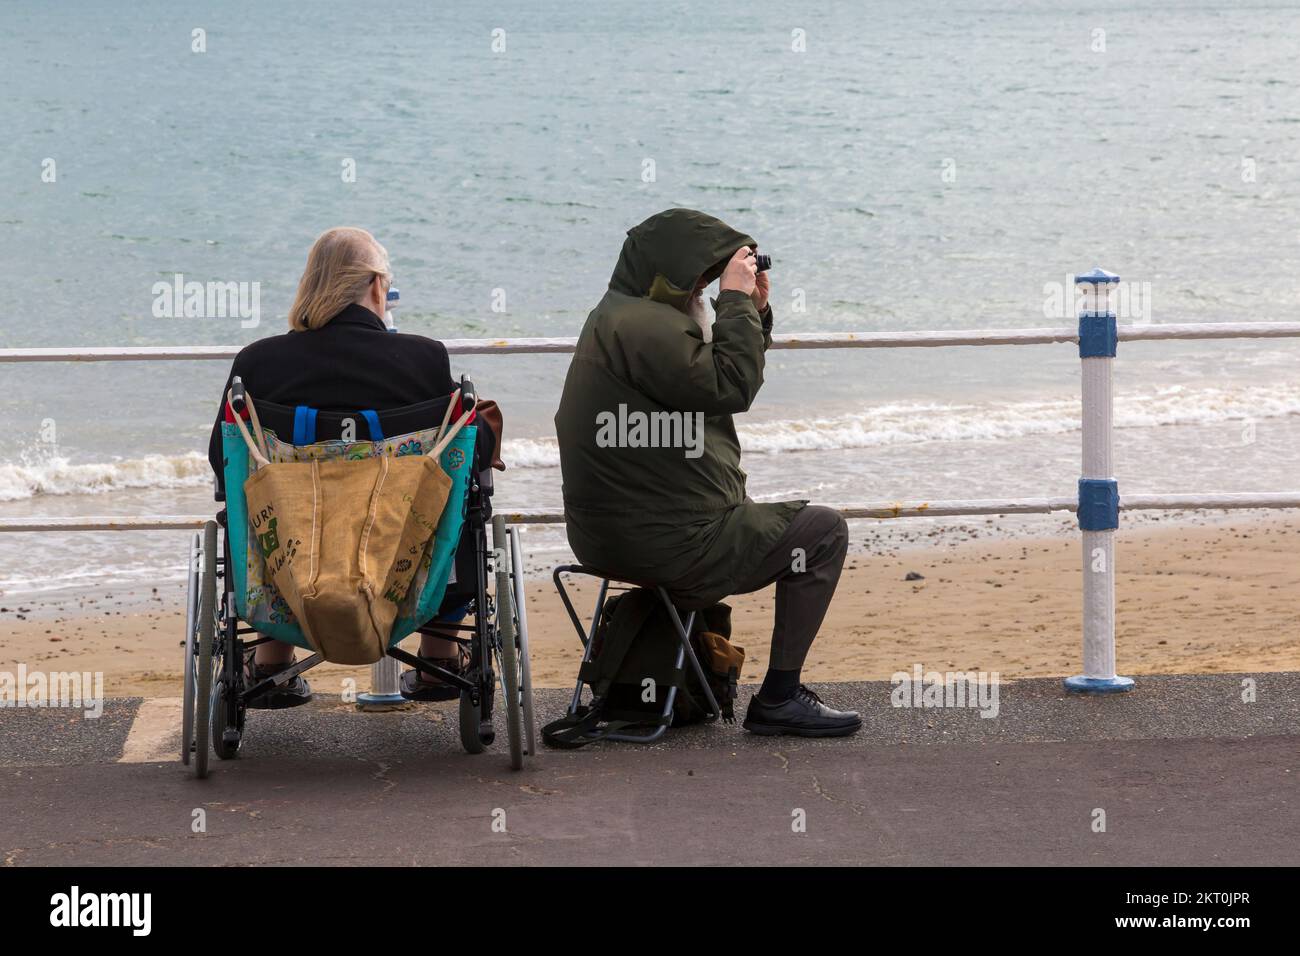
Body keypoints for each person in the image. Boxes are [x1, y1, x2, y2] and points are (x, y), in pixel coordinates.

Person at [554, 208, 860, 737]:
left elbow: (707, 377)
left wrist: (753, 315)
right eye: (702, 276)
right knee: (823, 532)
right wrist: (736, 301)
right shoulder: (648, 326)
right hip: (669, 542)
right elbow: (729, 387)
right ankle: (780, 699)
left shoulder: (619, 317)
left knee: (763, 521)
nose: (705, 288)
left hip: (604, 536)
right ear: (672, 273)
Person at [208, 226, 474, 708]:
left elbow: (223, 461)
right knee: (459, 505)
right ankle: (441, 655)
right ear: (376, 286)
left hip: (296, 551)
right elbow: (459, 459)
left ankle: (271, 659)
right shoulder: (422, 358)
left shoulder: (259, 364)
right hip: (400, 556)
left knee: (258, 499)